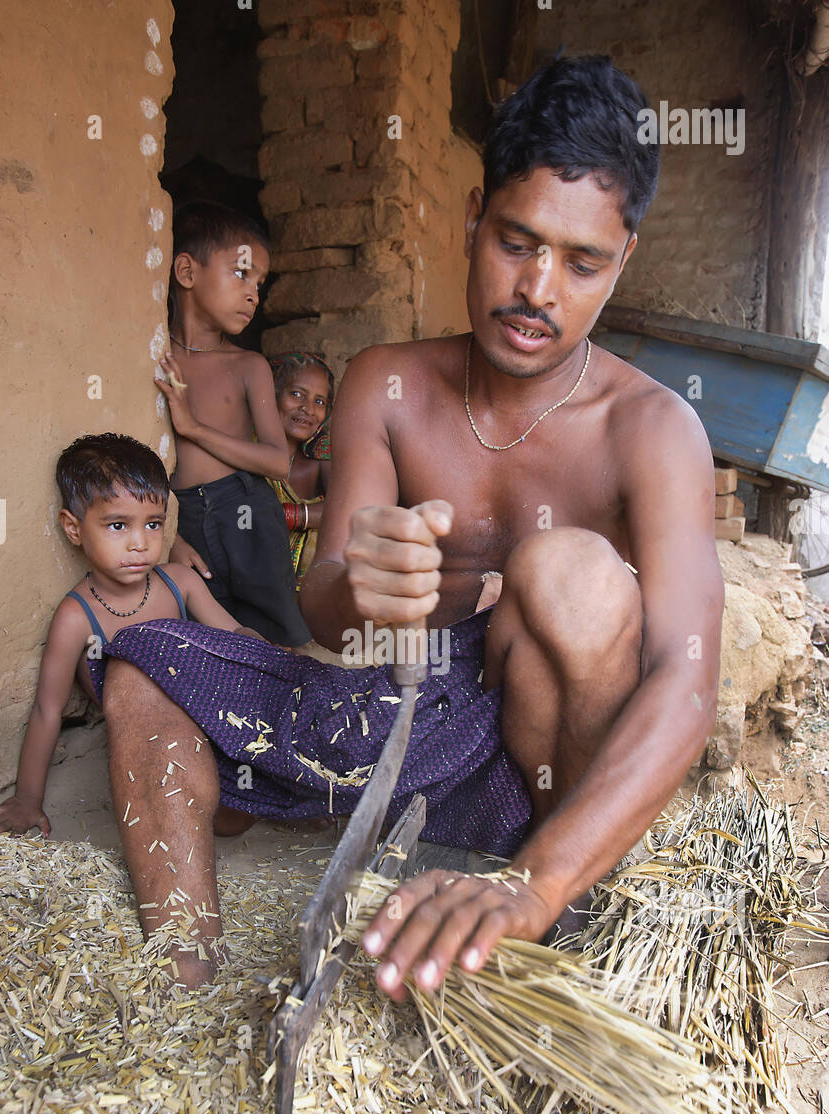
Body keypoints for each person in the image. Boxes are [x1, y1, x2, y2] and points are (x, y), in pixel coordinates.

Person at [95, 56, 724, 995]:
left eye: (582, 262)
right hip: (393, 717)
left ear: (622, 260)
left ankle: (575, 914)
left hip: (535, 774)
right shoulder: (386, 385)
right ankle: (188, 990)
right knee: (144, 665)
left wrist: (534, 885)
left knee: (568, 571)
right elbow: (326, 616)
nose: (539, 289)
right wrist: (364, 584)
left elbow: (686, 681)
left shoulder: (656, 429)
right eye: (517, 242)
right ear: (472, 218)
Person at [0, 434, 272, 978]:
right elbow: (46, 711)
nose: (139, 543)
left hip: (214, 732)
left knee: (239, 812)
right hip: (152, 759)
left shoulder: (179, 583)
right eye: (118, 526)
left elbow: (234, 642)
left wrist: (276, 664)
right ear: (73, 528)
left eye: (153, 525)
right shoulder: (76, 618)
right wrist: (28, 799)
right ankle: (188, 947)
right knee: (198, 812)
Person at [160, 200, 311, 649]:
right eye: (241, 273)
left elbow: (277, 460)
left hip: (247, 513)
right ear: (186, 272)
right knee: (205, 644)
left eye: (260, 283)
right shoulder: (153, 353)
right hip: (182, 515)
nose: (254, 294)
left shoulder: (248, 365)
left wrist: (195, 429)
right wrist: (168, 533)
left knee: (274, 641)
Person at [267, 351, 334, 583]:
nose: (308, 409)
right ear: (270, 395)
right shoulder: (245, 448)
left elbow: (350, 508)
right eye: (296, 394)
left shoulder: (321, 457)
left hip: (314, 602)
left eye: (319, 401)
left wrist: (289, 515)